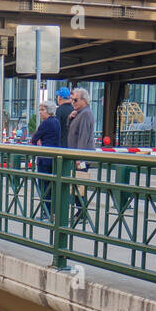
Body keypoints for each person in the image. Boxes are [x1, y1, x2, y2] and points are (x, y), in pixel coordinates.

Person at [65, 87, 95, 222]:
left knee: (79, 185)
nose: (73, 102)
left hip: (80, 156)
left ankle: (82, 212)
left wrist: (80, 157)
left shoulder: (86, 113)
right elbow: (73, 132)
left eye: (75, 100)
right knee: (76, 185)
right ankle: (80, 211)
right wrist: (70, 119)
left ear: (84, 100)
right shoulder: (79, 113)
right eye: (72, 100)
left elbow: (84, 135)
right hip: (76, 155)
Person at [30, 100, 61, 219]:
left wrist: (39, 140)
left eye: (42, 110)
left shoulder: (45, 123)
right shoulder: (56, 122)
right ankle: (53, 212)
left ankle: (47, 212)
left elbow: (35, 138)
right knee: (52, 186)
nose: (40, 113)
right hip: (54, 157)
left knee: (44, 186)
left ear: (49, 111)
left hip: (44, 158)